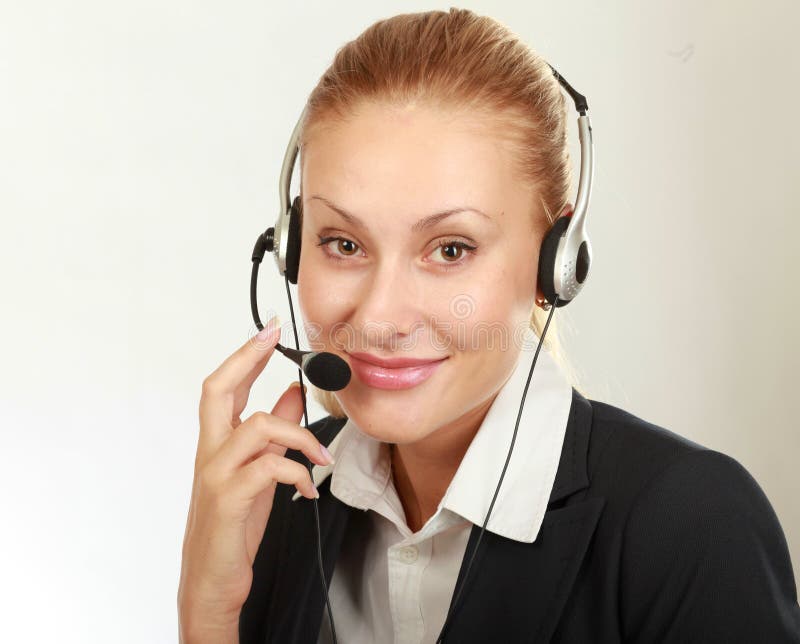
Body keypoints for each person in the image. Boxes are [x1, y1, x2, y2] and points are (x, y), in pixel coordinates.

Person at [177, 8, 800, 643]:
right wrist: (208, 613)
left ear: (553, 263)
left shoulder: (691, 527)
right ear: (290, 247)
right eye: (342, 243)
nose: (380, 318)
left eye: (450, 249)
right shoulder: (278, 500)